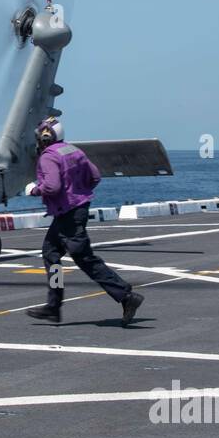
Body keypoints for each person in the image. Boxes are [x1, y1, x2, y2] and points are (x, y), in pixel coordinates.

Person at [24, 117, 144, 326]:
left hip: (68, 214)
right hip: (75, 211)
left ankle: (125, 295)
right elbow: (95, 176)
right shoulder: (73, 150)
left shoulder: (48, 157)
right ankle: (53, 306)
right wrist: (78, 192)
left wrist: (34, 190)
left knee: (85, 259)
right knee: (51, 254)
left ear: (45, 136)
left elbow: (52, 187)